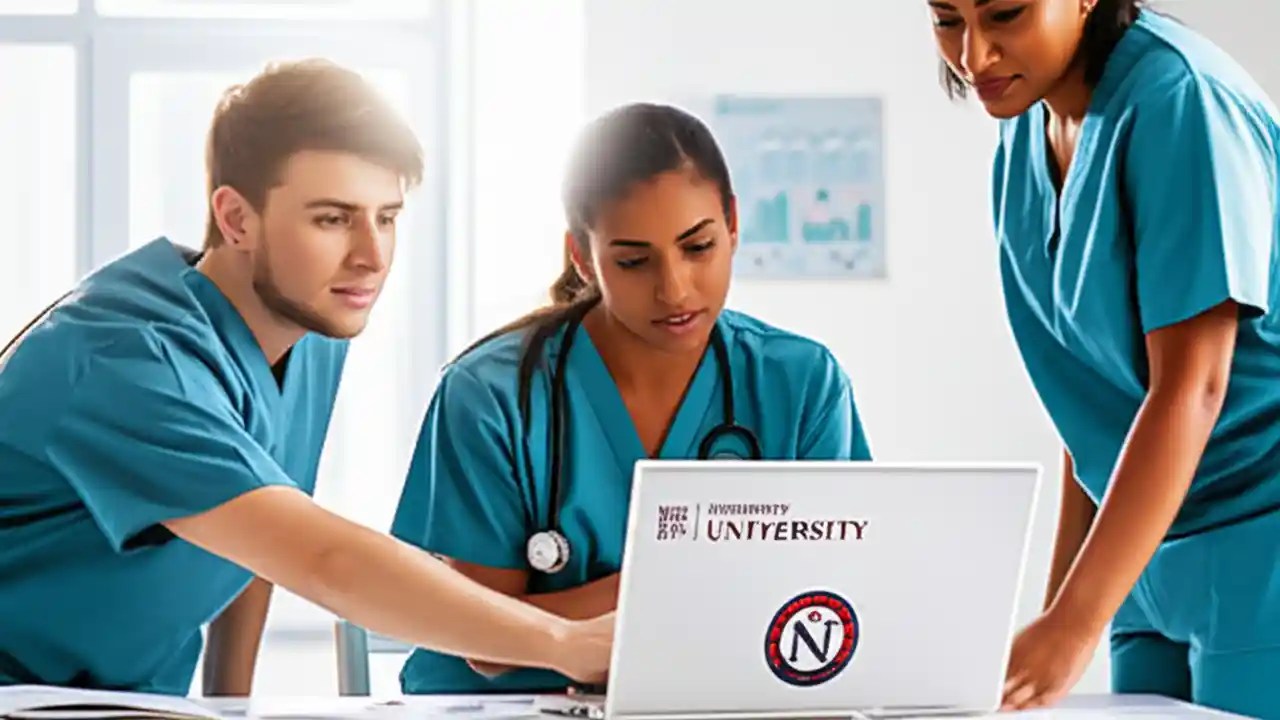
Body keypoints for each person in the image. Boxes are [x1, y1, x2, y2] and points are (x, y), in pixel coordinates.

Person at [0, 58, 612, 697]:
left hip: (123, 701)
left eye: (387, 217)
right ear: (237, 219)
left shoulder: (308, 328)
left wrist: (230, 705)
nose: (372, 257)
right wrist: (567, 644)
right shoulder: (123, 360)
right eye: (332, 218)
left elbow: (265, 533)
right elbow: (327, 561)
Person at [389, 102, 874, 694]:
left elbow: (837, 598)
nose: (675, 290)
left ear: (734, 225)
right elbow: (488, 639)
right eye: (633, 261)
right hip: (504, 704)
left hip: (717, 699)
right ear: (582, 258)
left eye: (698, 247)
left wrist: (639, 595)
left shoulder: (799, 384)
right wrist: (705, 578)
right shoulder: (490, 395)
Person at [929, 0, 1280, 716]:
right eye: (945, 18)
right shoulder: (1029, 121)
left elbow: (1194, 387)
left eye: (1004, 15)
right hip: (1139, 554)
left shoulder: (1182, 102)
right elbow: (1088, 399)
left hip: (1259, 541)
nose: (973, 57)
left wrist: (1073, 625)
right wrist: (1059, 606)